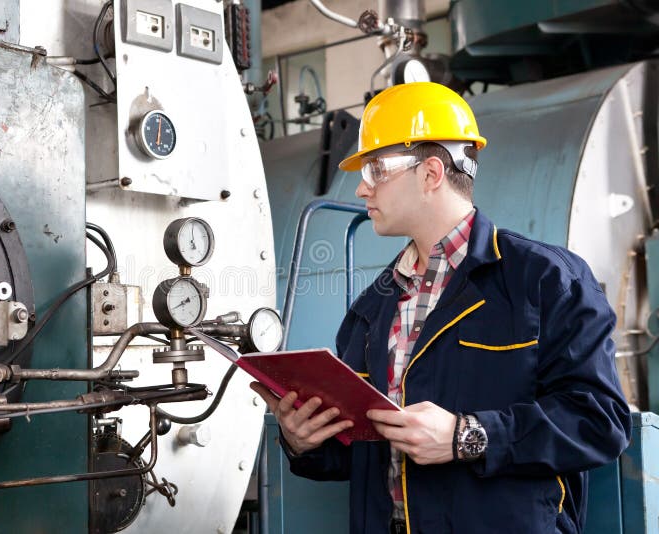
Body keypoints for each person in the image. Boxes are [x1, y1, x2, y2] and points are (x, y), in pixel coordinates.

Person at [251, 82, 631, 534]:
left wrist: (465, 436)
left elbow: (599, 420)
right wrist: (303, 440)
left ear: (431, 173)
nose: (360, 188)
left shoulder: (544, 280)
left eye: (375, 169)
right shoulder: (373, 307)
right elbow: (361, 454)